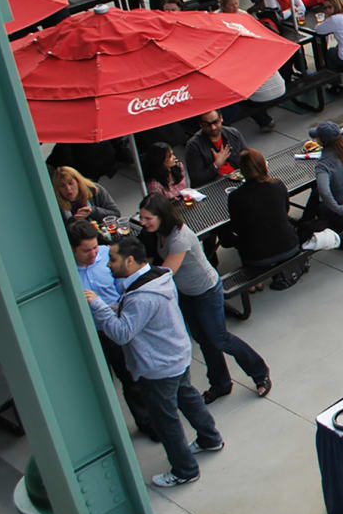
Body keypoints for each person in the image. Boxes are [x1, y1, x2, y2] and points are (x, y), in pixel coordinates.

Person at [85, 236, 224, 488]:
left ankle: (185, 469)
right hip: (176, 356)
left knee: (165, 420)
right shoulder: (157, 278)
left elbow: (121, 332)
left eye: (112, 259)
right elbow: (134, 312)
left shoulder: (142, 296)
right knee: (188, 397)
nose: (107, 265)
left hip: (159, 368)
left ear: (129, 261)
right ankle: (209, 438)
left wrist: (98, 305)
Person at [138, 193, 271, 403]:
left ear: (161, 216)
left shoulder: (179, 238)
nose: (142, 222)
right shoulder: (158, 233)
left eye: (147, 218)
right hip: (188, 293)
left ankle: (259, 371)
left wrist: (138, 276)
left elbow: (167, 272)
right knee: (204, 339)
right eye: (141, 217)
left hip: (206, 292)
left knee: (219, 338)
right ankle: (220, 384)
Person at [69, 221, 157, 439]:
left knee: (130, 378)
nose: (93, 254)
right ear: (72, 249)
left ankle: (147, 422)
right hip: (88, 334)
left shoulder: (110, 258)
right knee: (98, 385)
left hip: (115, 328)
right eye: (86, 250)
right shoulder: (66, 269)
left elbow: (126, 290)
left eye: (94, 248)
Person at [221, 151, 302, 288]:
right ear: (264, 166)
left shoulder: (235, 196)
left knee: (232, 236)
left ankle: (254, 280)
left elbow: (236, 227)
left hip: (257, 257)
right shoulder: (277, 184)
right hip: (289, 246)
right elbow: (285, 209)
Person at [184, 110, 248, 187]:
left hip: (238, 179)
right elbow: (197, 179)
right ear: (201, 125)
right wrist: (216, 165)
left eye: (215, 122)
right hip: (213, 186)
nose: (213, 127)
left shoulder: (233, 134)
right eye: (207, 125)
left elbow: (247, 158)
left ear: (221, 118)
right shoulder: (193, 146)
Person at [53, 165, 120, 225]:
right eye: (62, 186)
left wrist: (92, 211)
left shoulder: (95, 189)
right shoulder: (56, 204)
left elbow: (116, 214)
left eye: (70, 183)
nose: (68, 189)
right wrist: (74, 221)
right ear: (58, 189)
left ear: (78, 181)